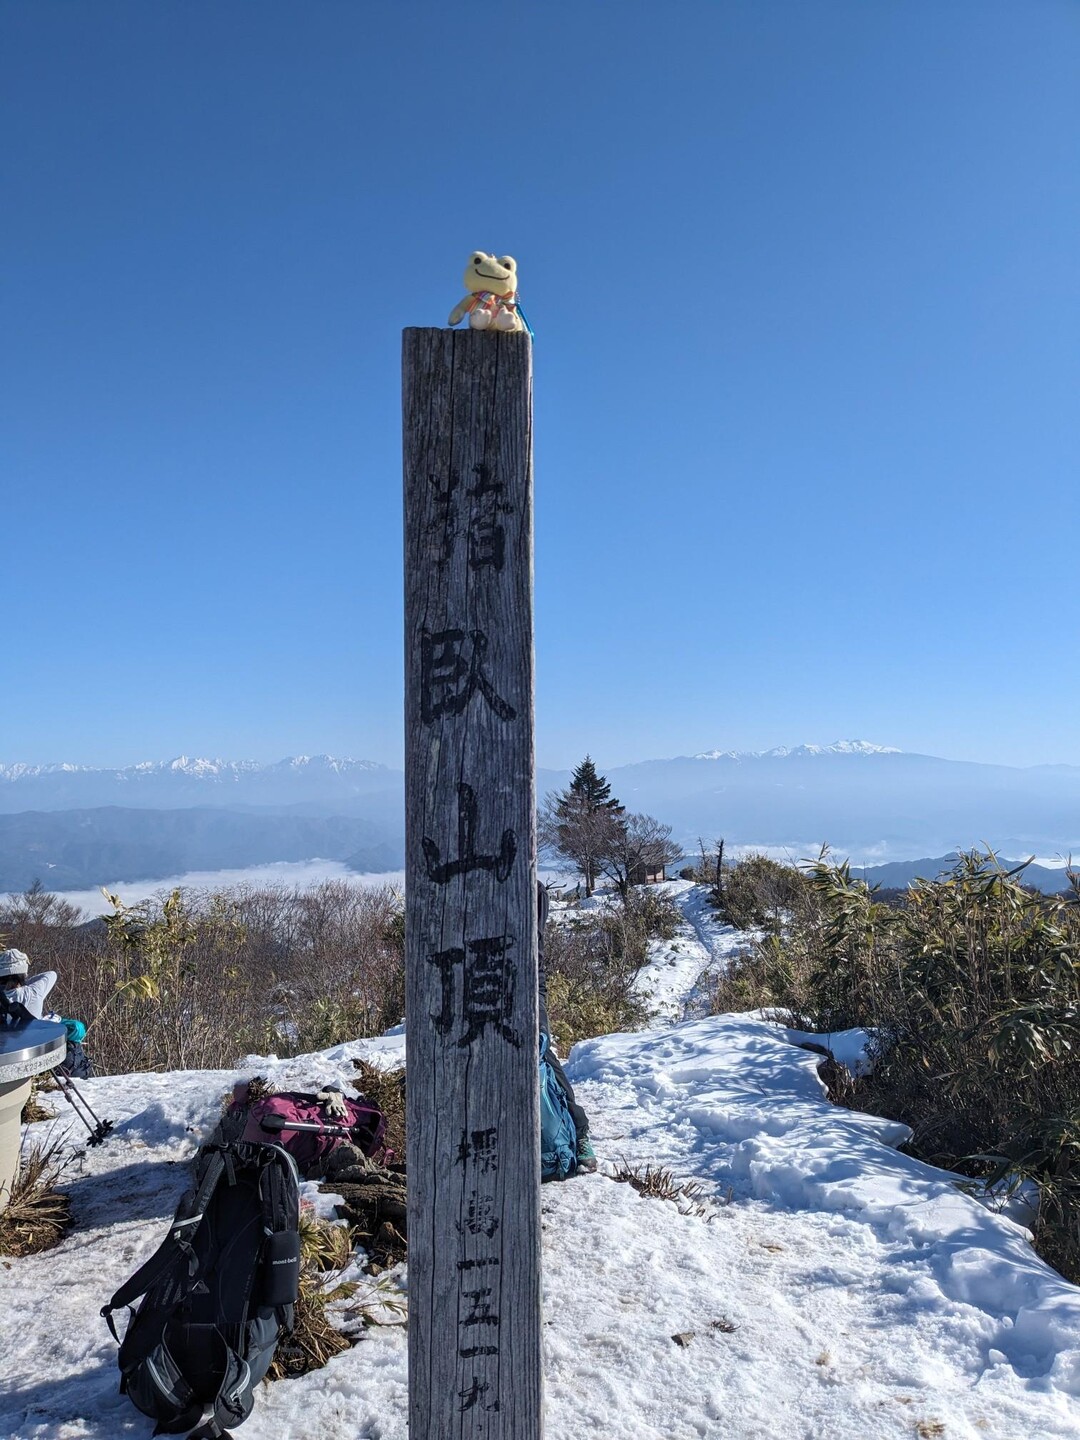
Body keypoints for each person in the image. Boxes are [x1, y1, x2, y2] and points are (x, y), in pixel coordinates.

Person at [537, 884, 597, 1173]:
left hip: (526, 981)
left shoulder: (532, 891)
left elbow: (533, 947)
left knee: (539, 1050)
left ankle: (579, 1129)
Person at [0, 948, 57, 1019]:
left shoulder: (3, 998)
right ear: (23, 975)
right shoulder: (34, 991)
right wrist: (24, 983)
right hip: (36, 1029)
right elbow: (52, 974)